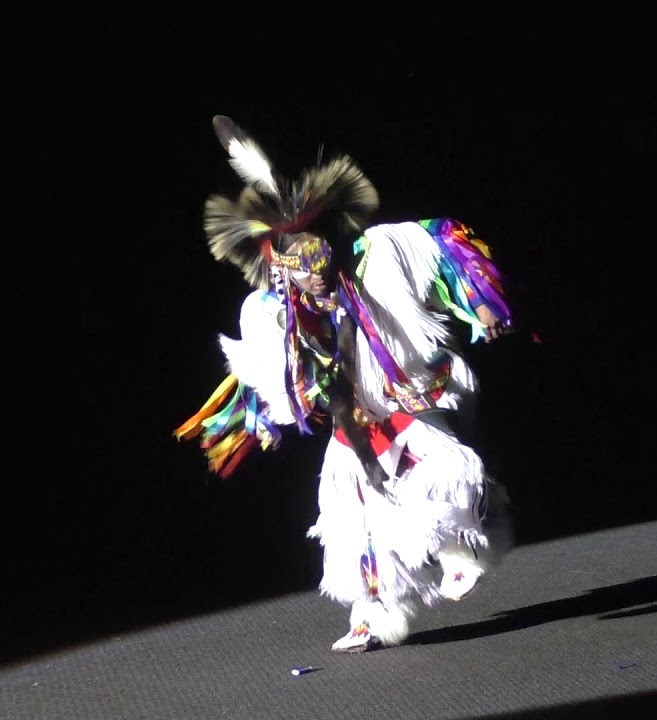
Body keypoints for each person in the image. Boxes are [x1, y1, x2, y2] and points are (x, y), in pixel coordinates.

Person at [175, 115, 514, 652]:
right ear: (282, 271)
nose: (320, 270)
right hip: (350, 429)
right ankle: (375, 618)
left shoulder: (375, 260)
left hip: (400, 405)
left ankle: (466, 542)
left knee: (452, 472)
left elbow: (441, 241)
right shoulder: (272, 318)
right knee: (359, 527)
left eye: (322, 256)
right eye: (303, 266)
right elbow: (297, 394)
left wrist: (479, 299)